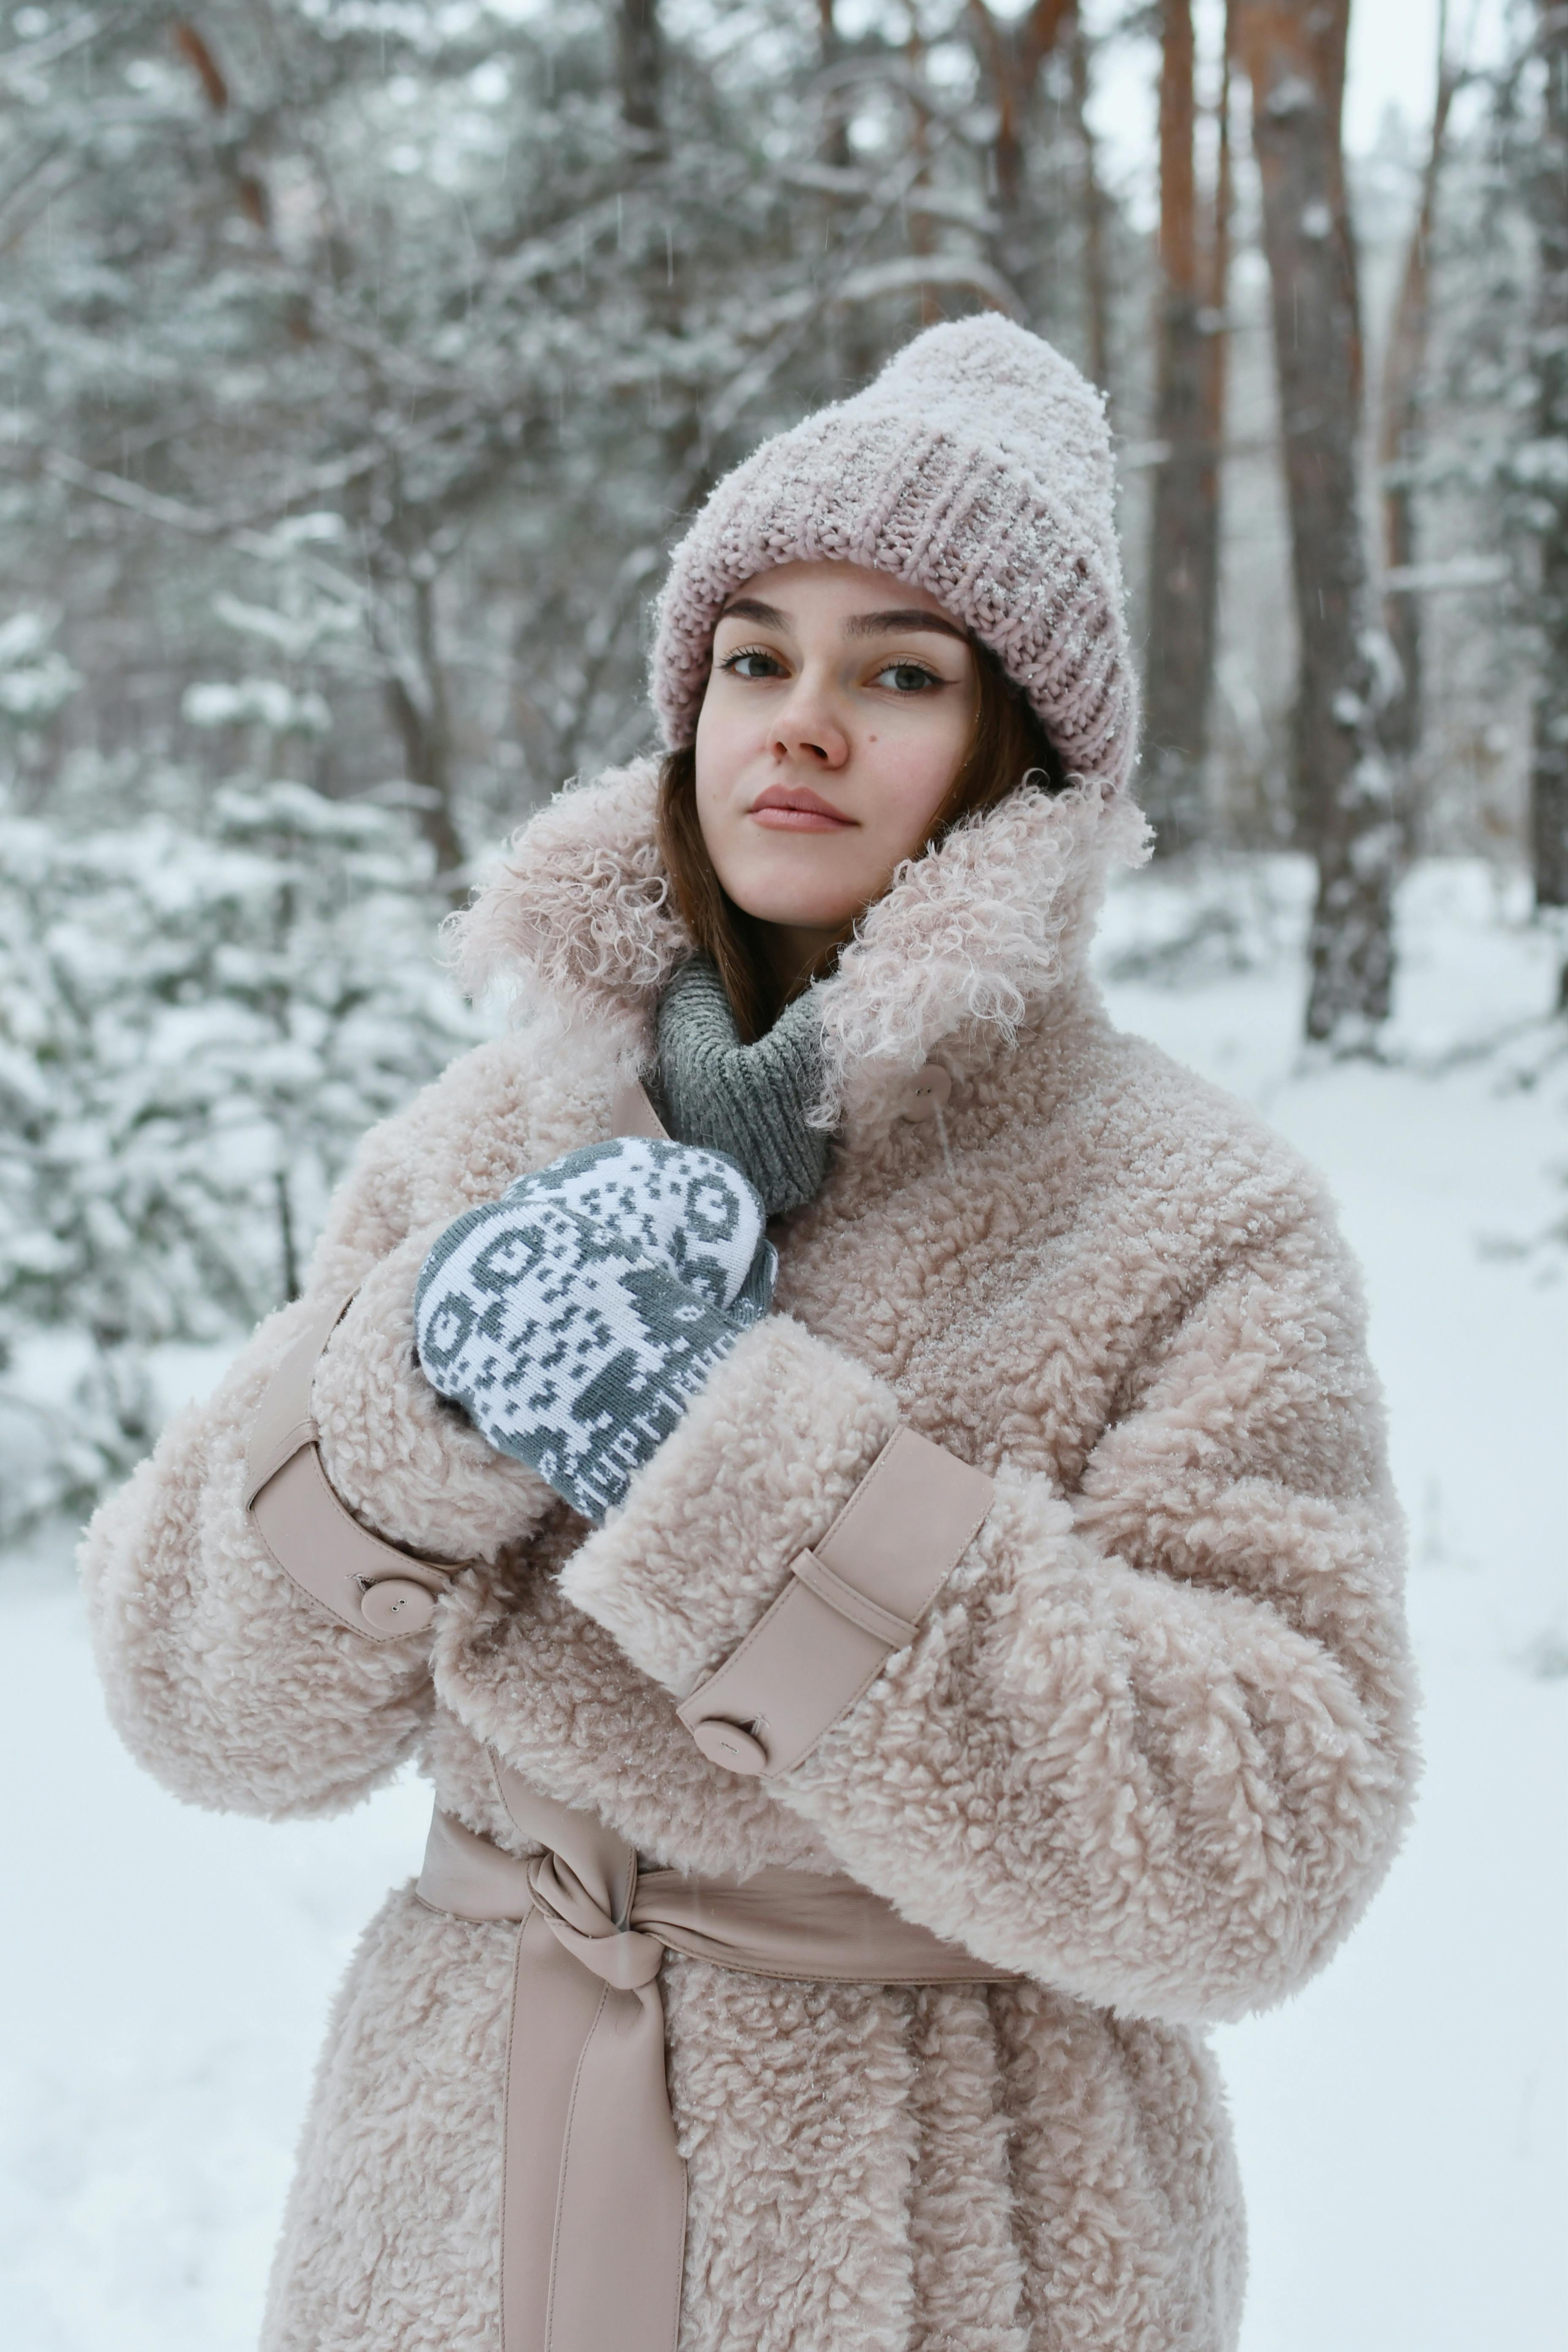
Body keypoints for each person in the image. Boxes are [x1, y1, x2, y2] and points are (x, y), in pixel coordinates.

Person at [82, 317, 1418, 2352]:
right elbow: (194, 1706)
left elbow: (1264, 1853)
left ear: (1025, 761)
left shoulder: (1188, 1213)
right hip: (458, 2204)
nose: (800, 723)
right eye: (753, 657)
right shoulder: (486, 1144)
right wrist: (395, 1418)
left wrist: (731, 1471)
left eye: (899, 673)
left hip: (952, 2222)